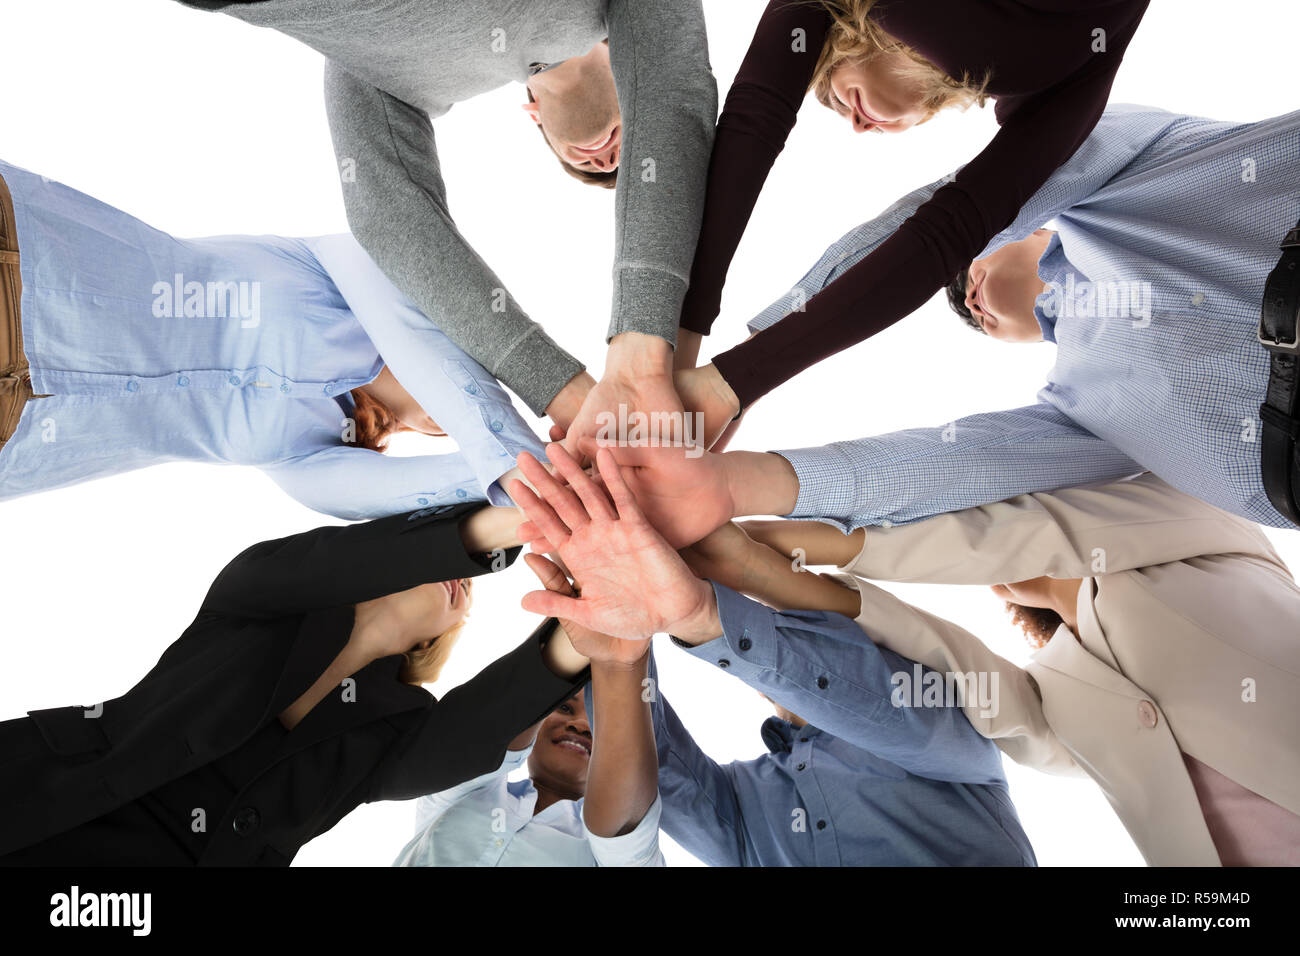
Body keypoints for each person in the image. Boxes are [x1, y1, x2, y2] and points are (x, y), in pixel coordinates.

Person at [593, 105, 1300, 551]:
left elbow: (934, 220)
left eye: (960, 275)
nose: (971, 299)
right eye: (973, 320)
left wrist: (742, 372)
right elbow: (953, 465)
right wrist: (729, 485)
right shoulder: (1081, 409)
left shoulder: (1120, 169)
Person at [563, 0, 1151, 454]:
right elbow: (946, 235)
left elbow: (757, 115)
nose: (860, 128)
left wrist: (684, 346)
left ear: (842, 35)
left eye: (834, 99)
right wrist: (708, 372)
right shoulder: (1063, 87)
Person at [173, 0, 718, 442]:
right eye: (624, 152)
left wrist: (567, 394)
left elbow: (391, 215)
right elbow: (670, 95)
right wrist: (642, 352)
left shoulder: (390, 70)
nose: (605, 160)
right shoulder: (608, 16)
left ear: (535, 119)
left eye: (591, 167)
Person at [696, 474, 1300, 865]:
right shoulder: (1060, 691)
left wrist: (797, 541)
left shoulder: (1211, 531)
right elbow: (945, 660)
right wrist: (761, 572)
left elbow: (1025, 533)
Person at [507, 446, 1037, 866]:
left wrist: (698, 617)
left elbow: (874, 703)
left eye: (776, 621)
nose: (755, 632)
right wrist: (616, 608)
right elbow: (655, 763)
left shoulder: (960, 751)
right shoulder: (745, 800)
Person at [0, 501, 602, 866]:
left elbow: (485, 719)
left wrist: (599, 606)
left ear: (437, 638)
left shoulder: (397, 732)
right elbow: (332, 563)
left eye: (467, 593)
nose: (463, 586)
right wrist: (532, 518)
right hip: (48, 800)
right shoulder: (254, 601)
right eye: (460, 572)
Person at [0, 160, 546, 518]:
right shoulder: (339, 262)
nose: (461, 396)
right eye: (475, 368)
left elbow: (471, 476)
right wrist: (522, 452)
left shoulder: (311, 455)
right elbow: (482, 426)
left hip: (14, 436)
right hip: (32, 266)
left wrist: (555, 473)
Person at [395, 557, 663, 867]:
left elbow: (623, 832)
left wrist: (621, 664)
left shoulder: (612, 852)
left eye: (599, 727)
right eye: (564, 707)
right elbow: (496, 728)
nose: (579, 725)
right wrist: (579, 607)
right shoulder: (459, 794)